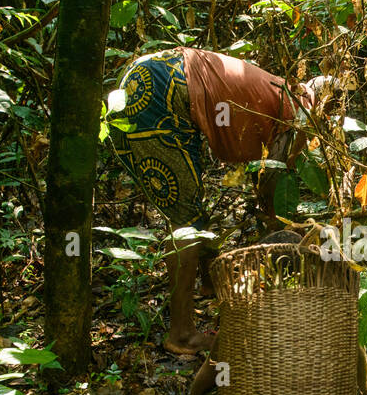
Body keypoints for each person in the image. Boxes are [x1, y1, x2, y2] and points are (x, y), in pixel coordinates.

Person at [108, 48, 326, 355]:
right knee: (185, 222)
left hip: (147, 77)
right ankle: (181, 334)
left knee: (193, 207)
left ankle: (211, 285)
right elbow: (271, 186)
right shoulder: (299, 111)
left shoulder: (280, 90)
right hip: (159, 89)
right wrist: (279, 233)